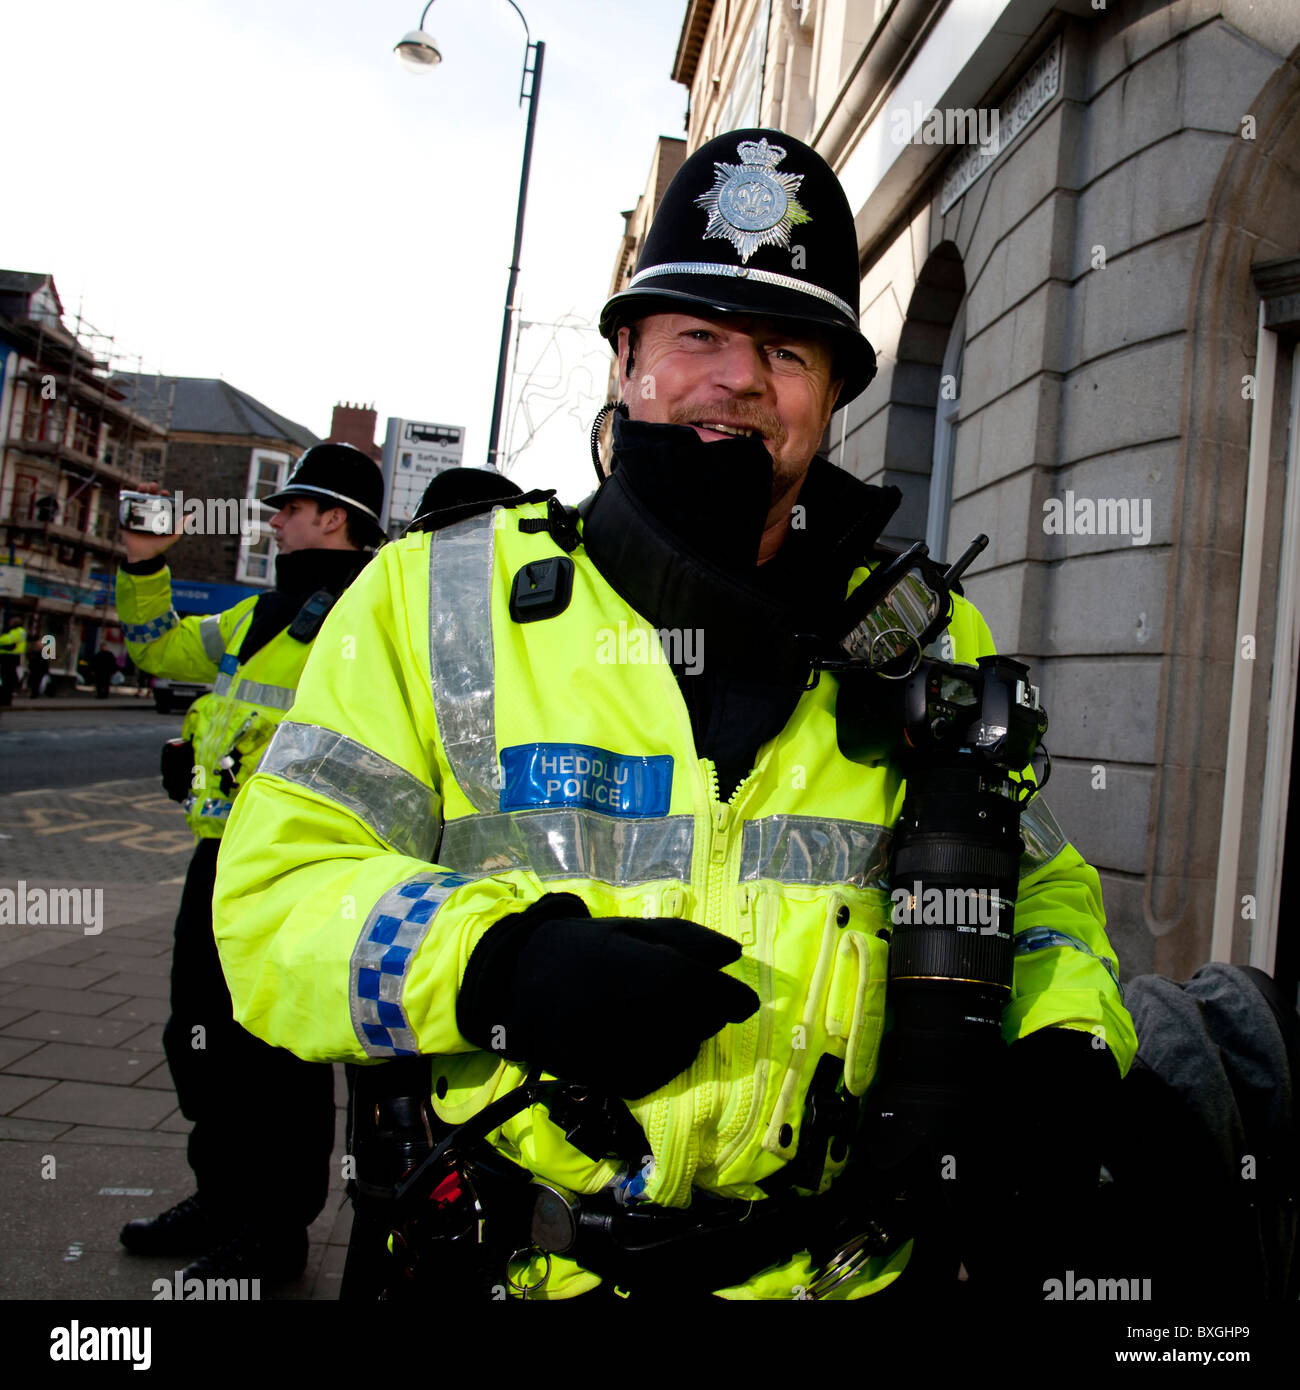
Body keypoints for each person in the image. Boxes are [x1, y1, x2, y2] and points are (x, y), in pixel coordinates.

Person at [212, 129, 1137, 1301]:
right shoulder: (434, 598)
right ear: (625, 358)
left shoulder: (926, 636)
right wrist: (499, 969)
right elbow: (271, 900)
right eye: (697, 334)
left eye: (784, 349)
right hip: (528, 1266)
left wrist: (1062, 1049)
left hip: (837, 1277)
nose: (739, 378)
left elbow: (1040, 900)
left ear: (832, 395)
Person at [116, 442, 387, 1284]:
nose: (274, 519)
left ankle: (274, 1234)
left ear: (332, 518)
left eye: (290, 506)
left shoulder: (373, 616)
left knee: (277, 1059)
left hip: (301, 871)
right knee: (199, 1042)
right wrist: (144, 566)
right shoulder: (251, 615)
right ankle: (222, 1199)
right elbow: (159, 650)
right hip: (218, 862)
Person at [0, 616, 26, 705]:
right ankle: (6, 700)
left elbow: (6, 640)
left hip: (9, 658)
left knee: (7, 680)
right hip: (12, 658)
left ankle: (5, 700)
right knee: (8, 680)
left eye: (11, 622)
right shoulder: (20, 631)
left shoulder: (17, 631)